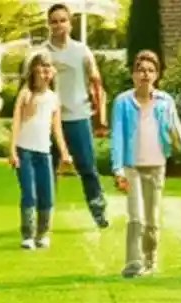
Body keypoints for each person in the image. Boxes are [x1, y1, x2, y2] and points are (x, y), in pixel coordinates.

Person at [109, 50, 181, 278]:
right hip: (132, 166)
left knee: (151, 219)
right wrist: (117, 168)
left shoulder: (165, 101)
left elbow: (177, 134)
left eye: (151, 70)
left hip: (156, 166)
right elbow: (118, 137)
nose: (145, 74)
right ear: (133, 74)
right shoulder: (123, 102)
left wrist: (176, 137)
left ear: (157, 75)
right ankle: (133, 262)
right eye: (141, 70)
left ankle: (150, 260)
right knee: (136, 217)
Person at [38, 3, 109, 230]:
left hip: (78, 117)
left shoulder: (82, 51)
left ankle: (98, 211)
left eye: (63, 20)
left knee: (87, 167)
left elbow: (97, 83)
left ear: (70, 23)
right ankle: (44, 217)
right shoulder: (41, 54)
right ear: (49, 24)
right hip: (48, 121)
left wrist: (101, 117)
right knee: (47, 170)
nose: (58, 25)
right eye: (54, 21)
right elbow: (30, 87)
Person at [9, 51, 71, 250]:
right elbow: (16, 123)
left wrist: (64, 153)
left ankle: (42, 234)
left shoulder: (53, 99)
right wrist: (12, 151)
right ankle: (27, 234)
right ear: (34, 71)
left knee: (47, 195)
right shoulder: (26, 95)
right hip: (25, 151)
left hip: (44, 153)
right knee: (29, 193)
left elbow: (57, 129)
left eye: (48, 68)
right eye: (41, 68)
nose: (45, 73)